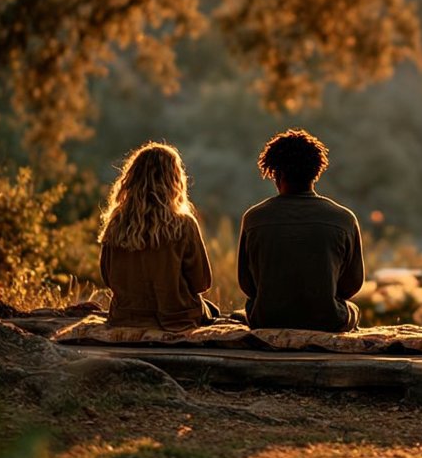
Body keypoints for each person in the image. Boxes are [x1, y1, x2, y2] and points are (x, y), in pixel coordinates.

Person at [237, 128, 364, 332]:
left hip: (266, 319)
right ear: (316, 171)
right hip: (328, 321)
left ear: (276, 173)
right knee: (353, 310)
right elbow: (352, 285)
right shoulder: (344, 219)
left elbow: (247, 285)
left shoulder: (254, 218)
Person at [97, 142, 216, 330]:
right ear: (174, 180)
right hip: (176, 319)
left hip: (125, 317)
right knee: (211, 310)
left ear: (131, 178)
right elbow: (201, 282)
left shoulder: (116, 223)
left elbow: (107, 278)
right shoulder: (183, 224)